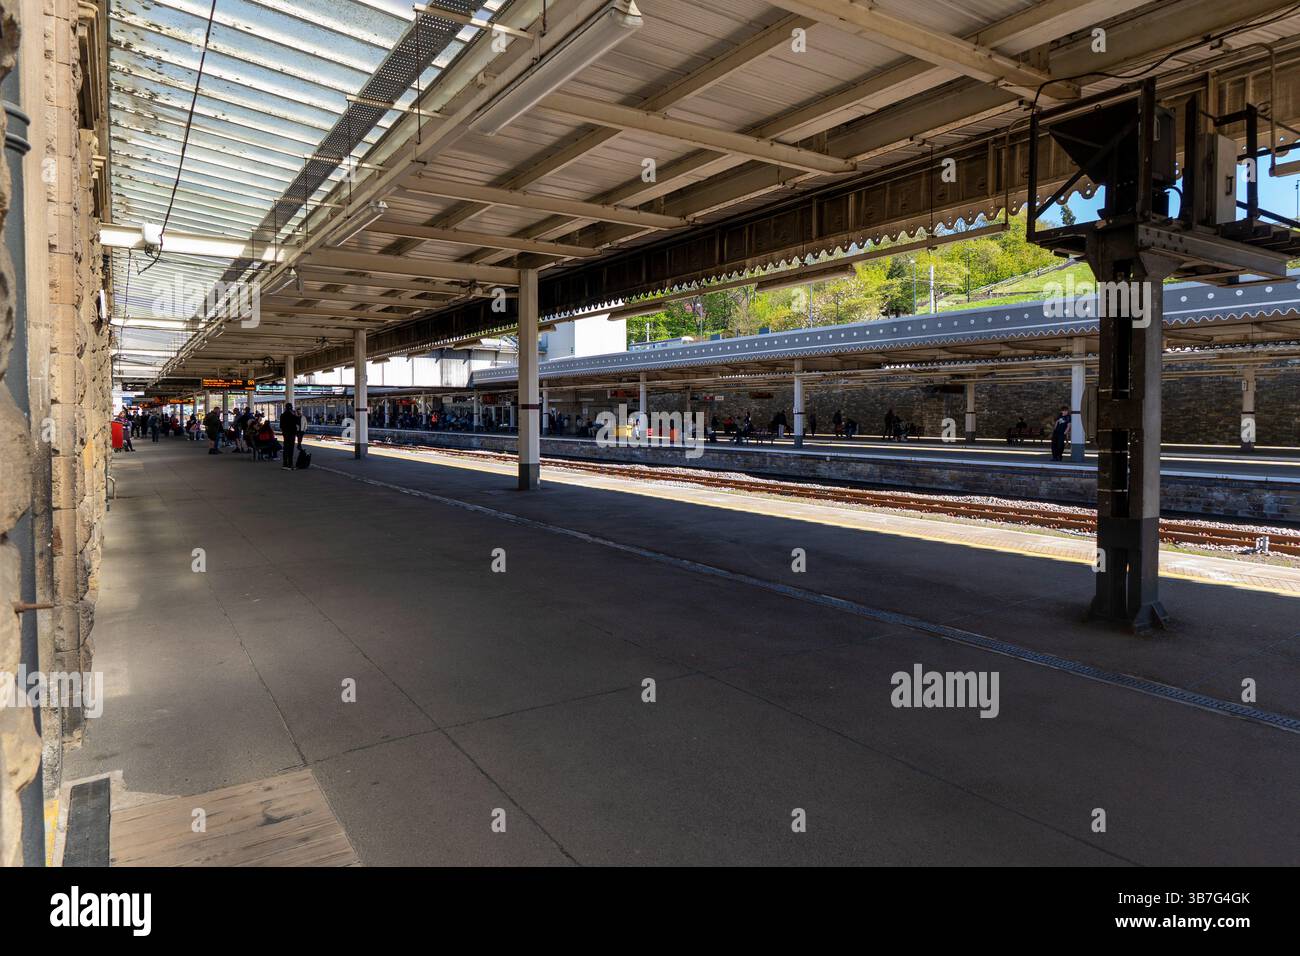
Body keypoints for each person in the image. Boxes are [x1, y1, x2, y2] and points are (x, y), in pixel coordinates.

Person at [280, 402, 301, 470]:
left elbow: (281, 426)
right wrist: (296, 415)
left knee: (285, 448)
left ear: (285, 408)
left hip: (285, 434)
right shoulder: (293, 415)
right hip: (292, 434)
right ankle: (290, 463)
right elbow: (298, 422)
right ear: (291, 408)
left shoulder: (282, 415)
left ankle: (284, 463)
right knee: (291, 449)